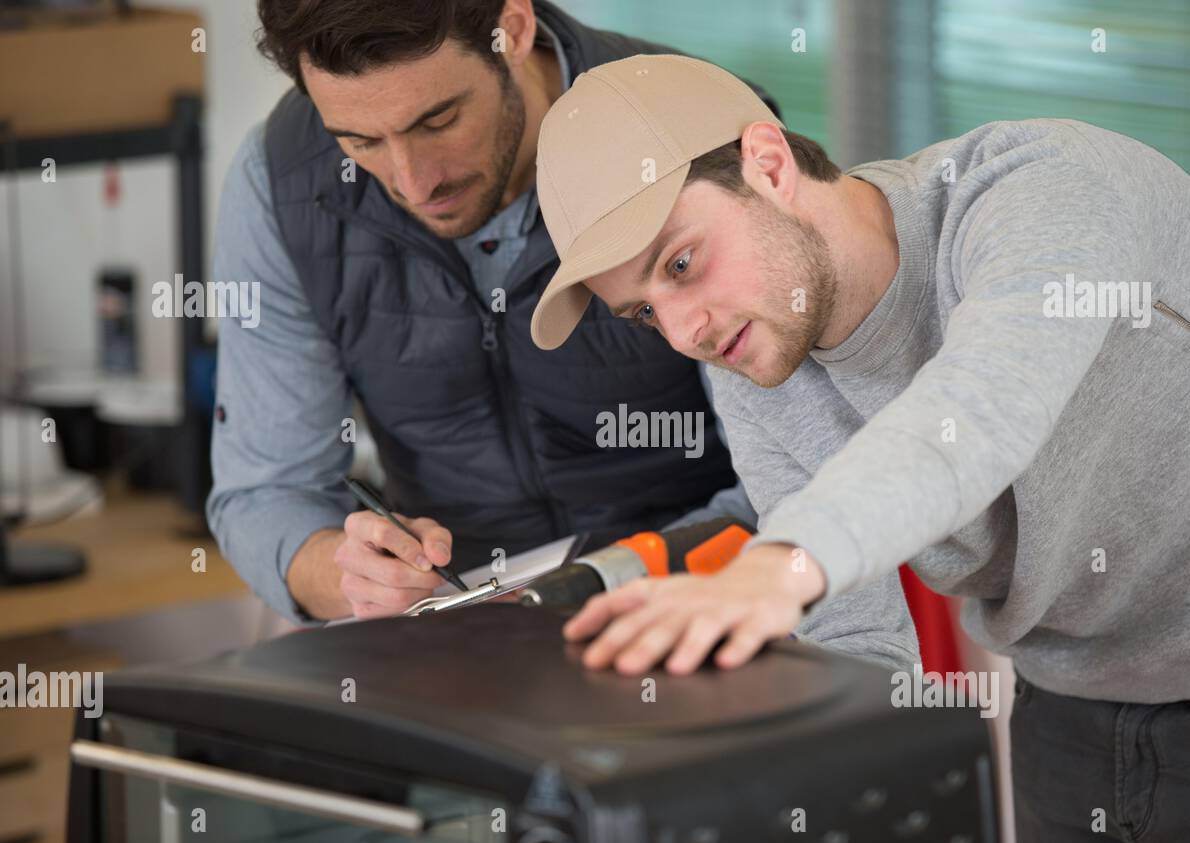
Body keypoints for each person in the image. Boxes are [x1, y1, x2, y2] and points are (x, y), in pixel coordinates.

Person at [529, 54, 1190, 843]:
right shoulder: (756, 359)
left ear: (769, 163)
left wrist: (777, 567)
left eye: (681, 264)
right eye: (645, 311)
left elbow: (979, 410)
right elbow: (854, 638)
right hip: (1068, 719)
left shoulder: (1042, 190)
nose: (684, 330)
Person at [206, 1, 775, 624]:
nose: (413, 182)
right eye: (360, 141)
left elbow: (793, 477)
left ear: (515, 28)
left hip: (707, 603)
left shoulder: (691, 131)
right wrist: (352, 578)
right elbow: (266, 493)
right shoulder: (281, 186)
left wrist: (597, 584)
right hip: (461, 632)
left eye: (439, 120)